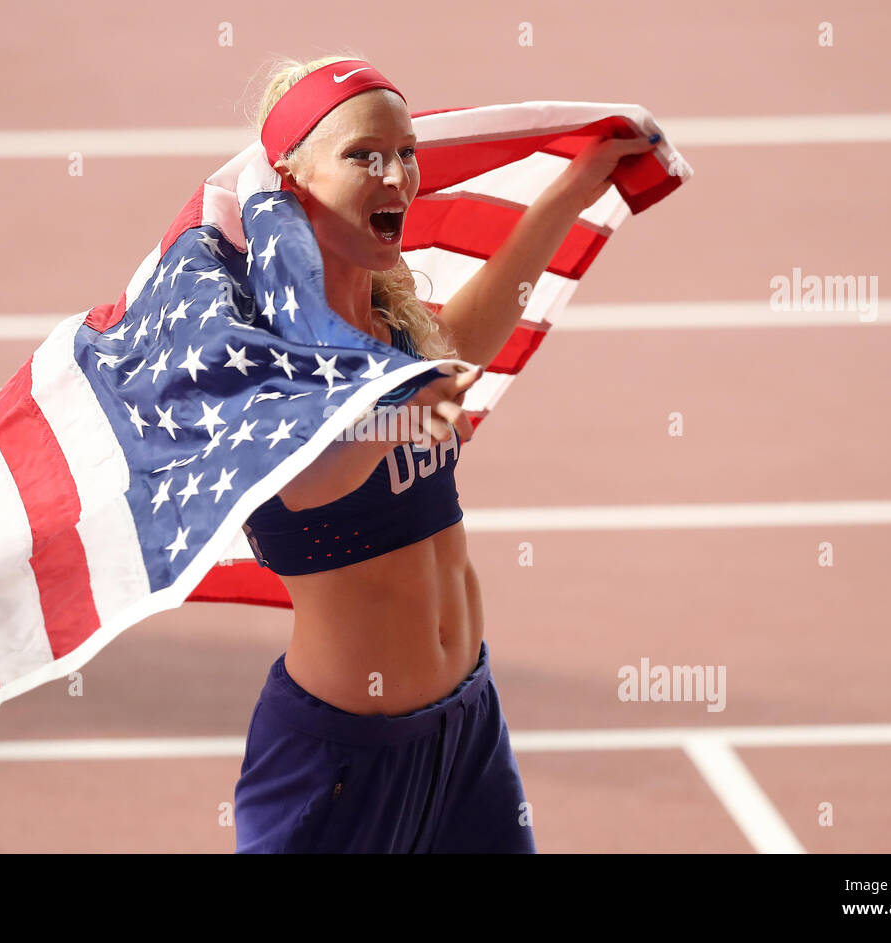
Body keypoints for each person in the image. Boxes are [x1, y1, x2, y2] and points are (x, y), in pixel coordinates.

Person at [233, 54, 657, 853]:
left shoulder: (394, 330)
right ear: (292, 179)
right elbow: (305, 481)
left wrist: (573, 188)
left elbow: (464, 344)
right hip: (339, 761)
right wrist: (406, 412)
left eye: (405, 153)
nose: (394, 173)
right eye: (363, 156)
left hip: (467, 731)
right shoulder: (260, 346)